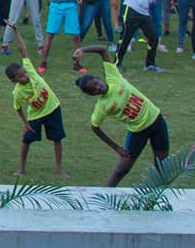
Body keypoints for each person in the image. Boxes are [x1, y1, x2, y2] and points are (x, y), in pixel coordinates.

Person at [71, 45, 169, 186]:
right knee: (122, 169)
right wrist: (116, 147)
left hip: (157, 121)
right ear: (93, 95)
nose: (98, 88)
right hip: (138, 131)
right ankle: (104, 199)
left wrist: (82, 49)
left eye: (96, 83)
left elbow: (103, 50)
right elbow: (95, 127)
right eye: (93, 90)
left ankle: (159, 198)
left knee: (162, 166)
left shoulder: (113, 77)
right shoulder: (102, 106)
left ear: (99, 78)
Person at [5, 62, 66, 179]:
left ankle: (59, 169)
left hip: (53, 108)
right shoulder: (18, 92)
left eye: (24, 73)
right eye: (20, 76)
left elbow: (24, 51)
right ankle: (21, 169)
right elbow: (18, 108)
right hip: (36, 115)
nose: (25, 76)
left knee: (57, 138)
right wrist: (26, 123)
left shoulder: (32, 74)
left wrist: (19, 42)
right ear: (14, 80)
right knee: (26, 139)